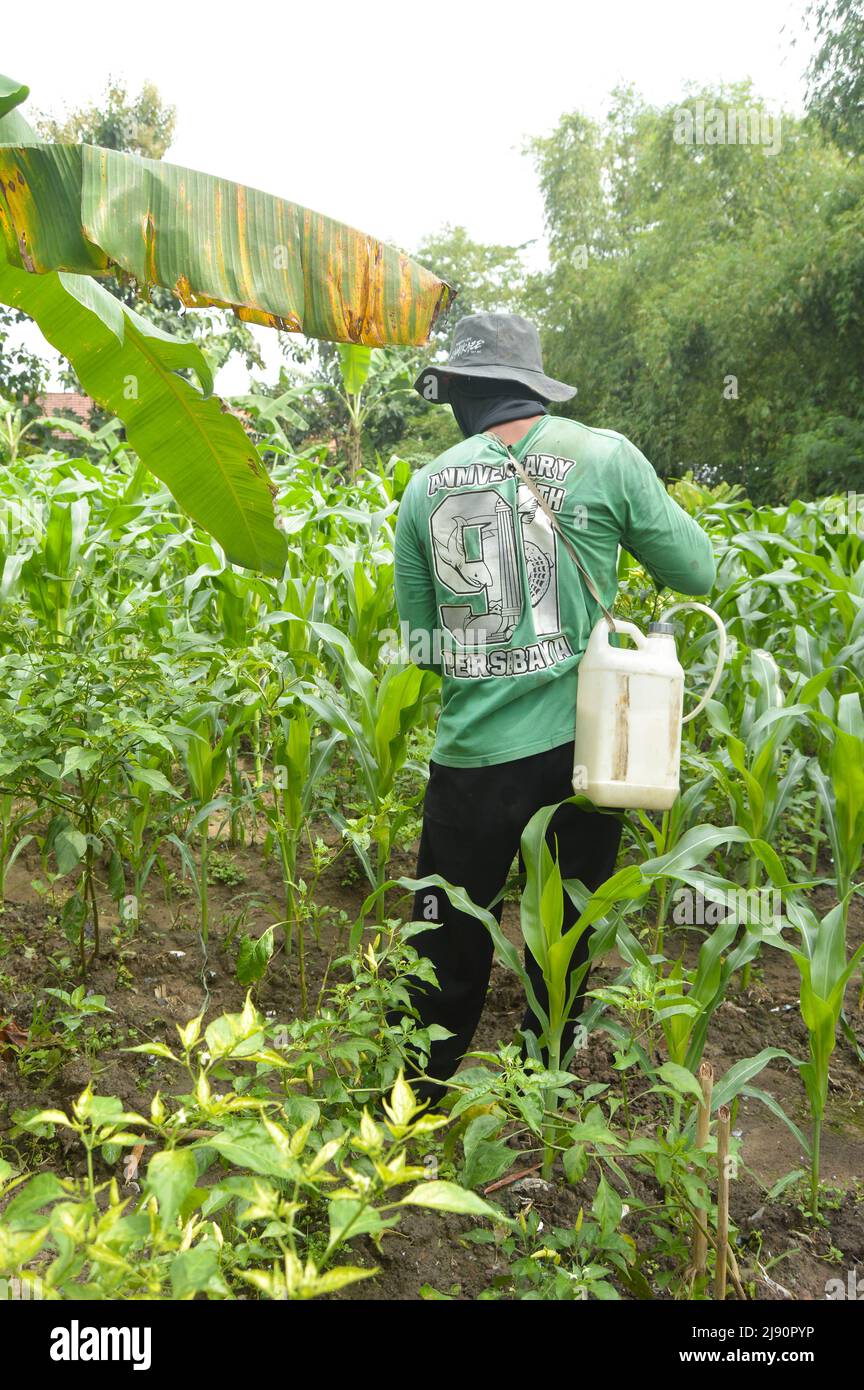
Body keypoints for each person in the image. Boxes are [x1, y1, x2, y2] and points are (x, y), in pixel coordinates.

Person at [393, 311, 716, 1101]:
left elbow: (422, 640)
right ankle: (543, 1099)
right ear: (533, 387)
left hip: (471, 760)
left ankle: (412, 1108)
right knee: (561, 943)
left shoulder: (424, 486)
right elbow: (697, 571)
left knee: (443, 944)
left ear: (465, 393)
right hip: (587, 756)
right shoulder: (605, 457)